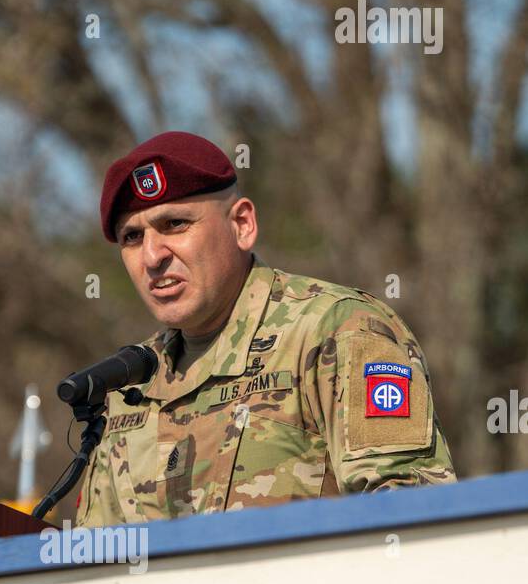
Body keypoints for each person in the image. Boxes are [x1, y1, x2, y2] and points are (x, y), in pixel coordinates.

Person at [75, 131, 456, 527]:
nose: (152, 256)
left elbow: (411, 517)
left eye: (175, 224)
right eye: (132, 237)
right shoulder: (130, 386)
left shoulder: (334, 331)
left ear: (242, 224)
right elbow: (94, 564)